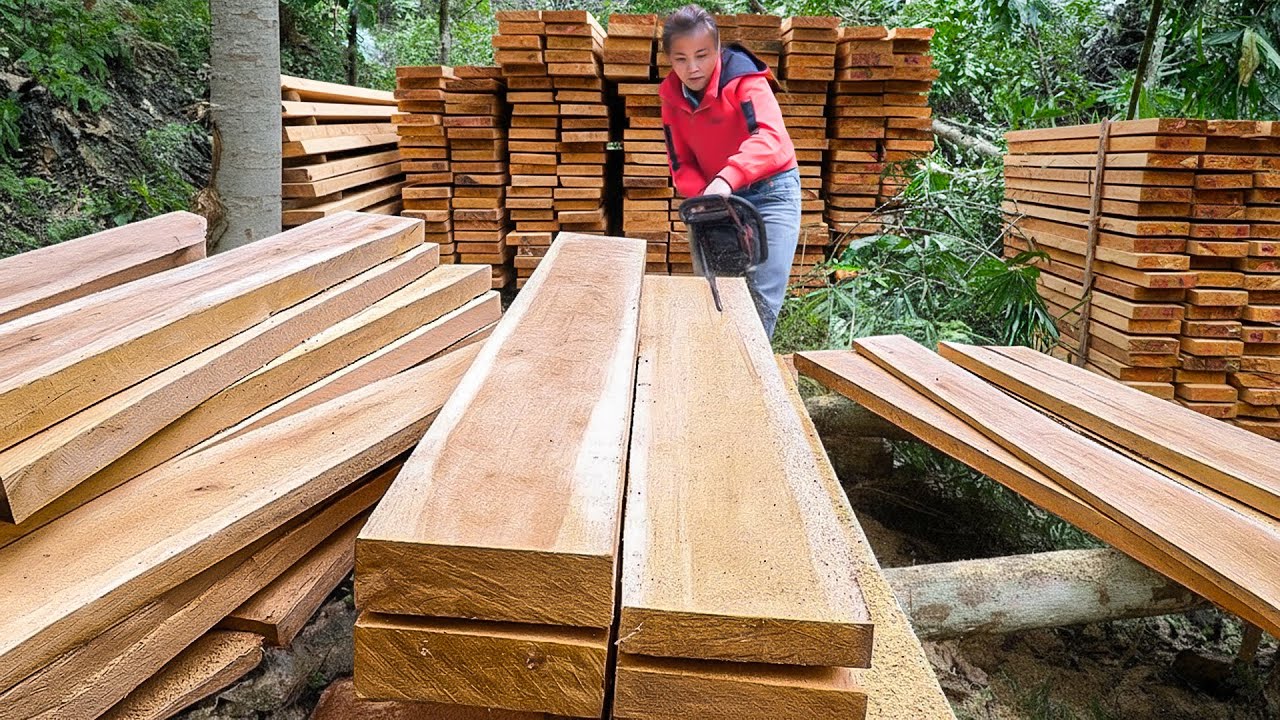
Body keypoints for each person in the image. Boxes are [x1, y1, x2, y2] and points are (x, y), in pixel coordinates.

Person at [659, 4, 801, 338]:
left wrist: (726, 178)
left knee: (760, 298)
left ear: (718, 49)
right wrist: (706, 199)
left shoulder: (744, 79)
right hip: (715, 199)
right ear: (669, 59)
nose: (692, 68)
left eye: (702, 55)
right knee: (715, 293)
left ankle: (748, 382)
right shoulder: (670, 97)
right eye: (680, 59)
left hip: (771, 192)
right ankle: (717, 375)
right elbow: (680, 162)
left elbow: (770, 138)